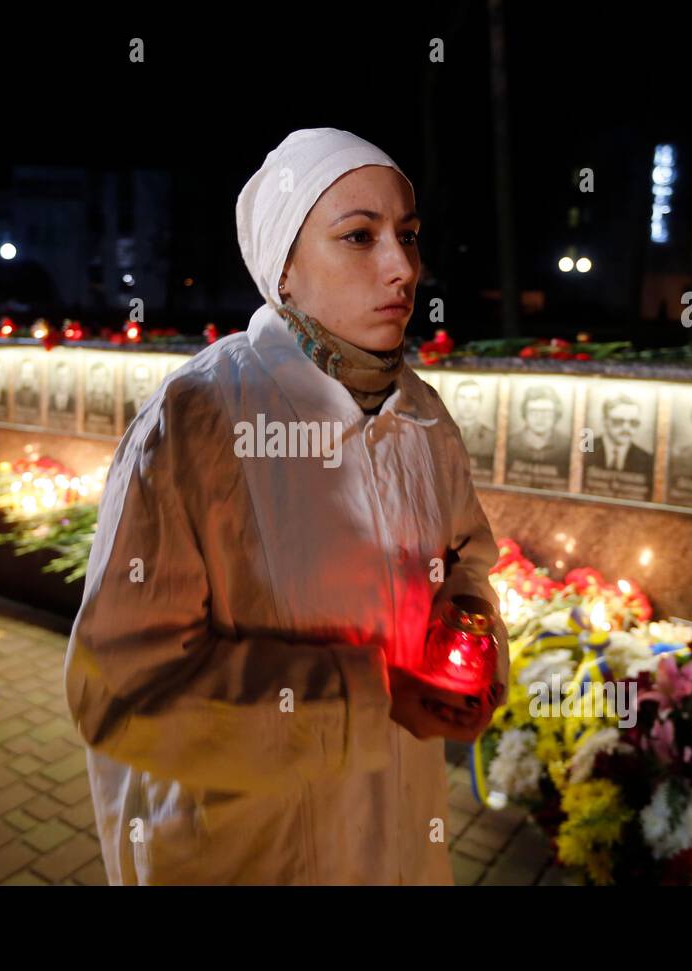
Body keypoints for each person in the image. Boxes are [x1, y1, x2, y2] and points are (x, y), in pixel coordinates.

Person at [65, 128, 507, 885]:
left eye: (407, 235)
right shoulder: (197, 420)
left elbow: (466, 560)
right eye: (359, 237)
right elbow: (122, 689)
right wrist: (369, 701)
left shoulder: (422, 414)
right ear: (286, 269)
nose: (403, 268)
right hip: (246, 849)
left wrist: (470, 631)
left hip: (400, 836)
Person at [590, 394, 652, 475]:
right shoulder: (585, 450)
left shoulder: (648, 460)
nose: (626, 428)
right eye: (619, 421)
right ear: (604, 421)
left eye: (633, 422)